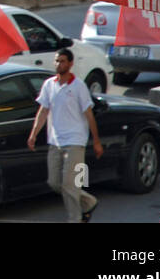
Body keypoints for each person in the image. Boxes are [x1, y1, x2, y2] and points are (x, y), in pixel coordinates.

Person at [27, 49, 103, 223]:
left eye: (62, 61)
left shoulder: (79, 86)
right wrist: (33, 135)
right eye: (56, 61)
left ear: (70, 64)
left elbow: (89, 114)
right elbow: (43, 111)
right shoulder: (49, 85)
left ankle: (74, 219)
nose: (58, 64)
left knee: (70, 184)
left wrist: (96, 141)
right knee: (54, 182)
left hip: (76, 141)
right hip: (55, 141)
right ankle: (88, 201)